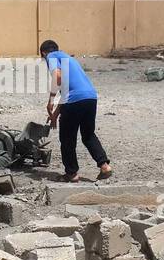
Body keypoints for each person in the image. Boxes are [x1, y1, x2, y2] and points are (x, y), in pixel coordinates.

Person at [41, 39, 112, 182]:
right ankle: (104, 166)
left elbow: (58, 78)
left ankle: (72, 174)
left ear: (43, 53)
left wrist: (50, 101)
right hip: (90, 98)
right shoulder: (68, 58)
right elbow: (68, 90)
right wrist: (55, 114)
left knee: (67, 138)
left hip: (74, 101)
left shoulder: (51, 56)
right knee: (88, 135)